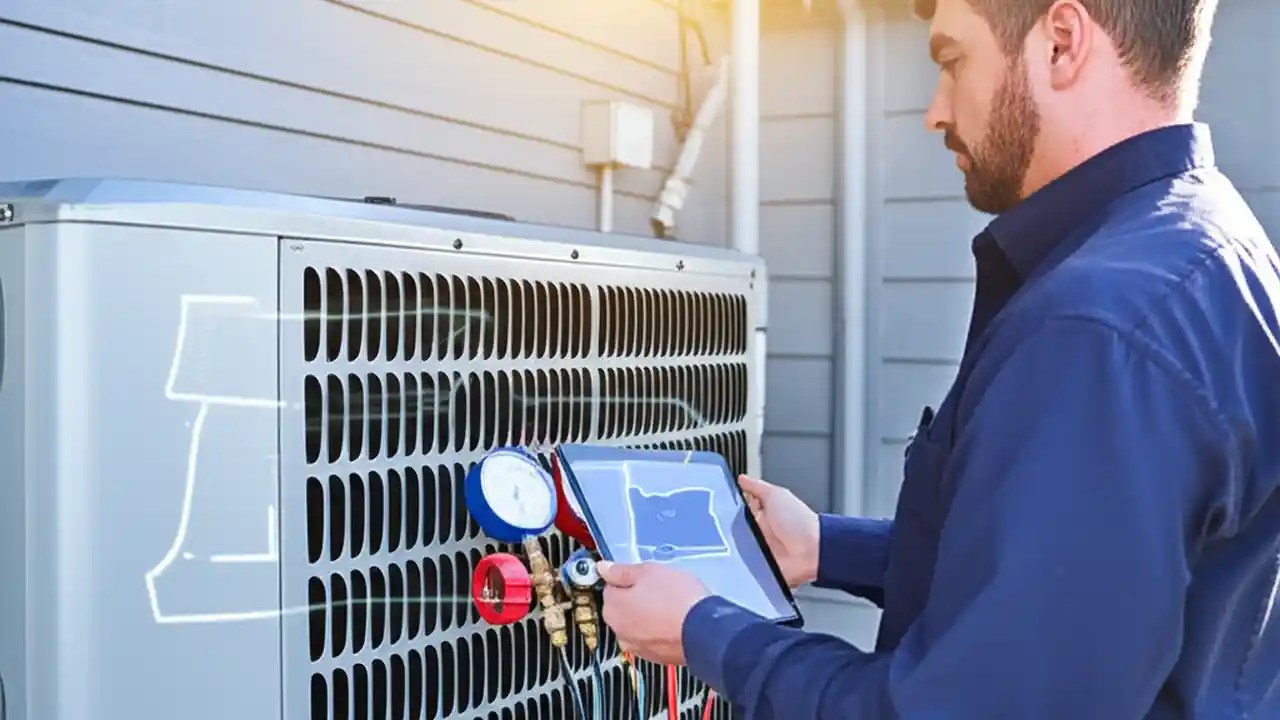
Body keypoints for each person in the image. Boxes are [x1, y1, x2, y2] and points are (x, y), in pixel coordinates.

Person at [595, 0, 1280, 716]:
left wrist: (707, 631)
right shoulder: (1213, 245)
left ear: (1062, 43)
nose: (935, 111)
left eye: (952, 62)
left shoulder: (1092, 331)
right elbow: (1069, 590)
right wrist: (824, 547)